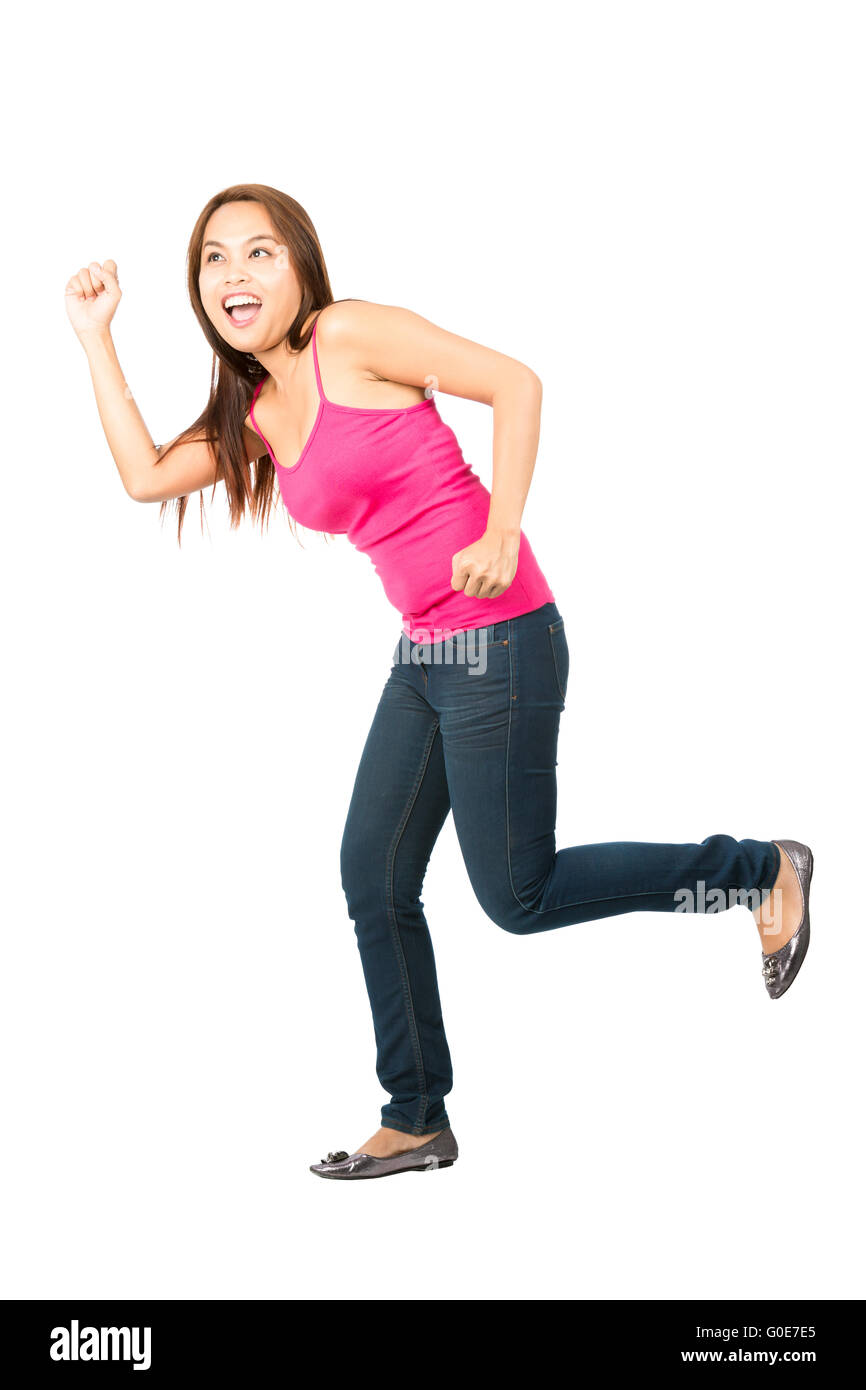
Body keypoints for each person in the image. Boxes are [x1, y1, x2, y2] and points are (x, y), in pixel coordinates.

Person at [65, 183, 814, 1183]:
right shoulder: (256, 406)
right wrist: (94, 337)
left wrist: (502, 528)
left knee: (517, 895)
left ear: (300, 265)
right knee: (371, 875)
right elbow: (146, 475)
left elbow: (514, 383)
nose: (234, 274)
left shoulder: (351, 335)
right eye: (213, 258)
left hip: (503, 637)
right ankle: (414, 1114)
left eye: (259, 252)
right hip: (426, 654)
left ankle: (755, 870)